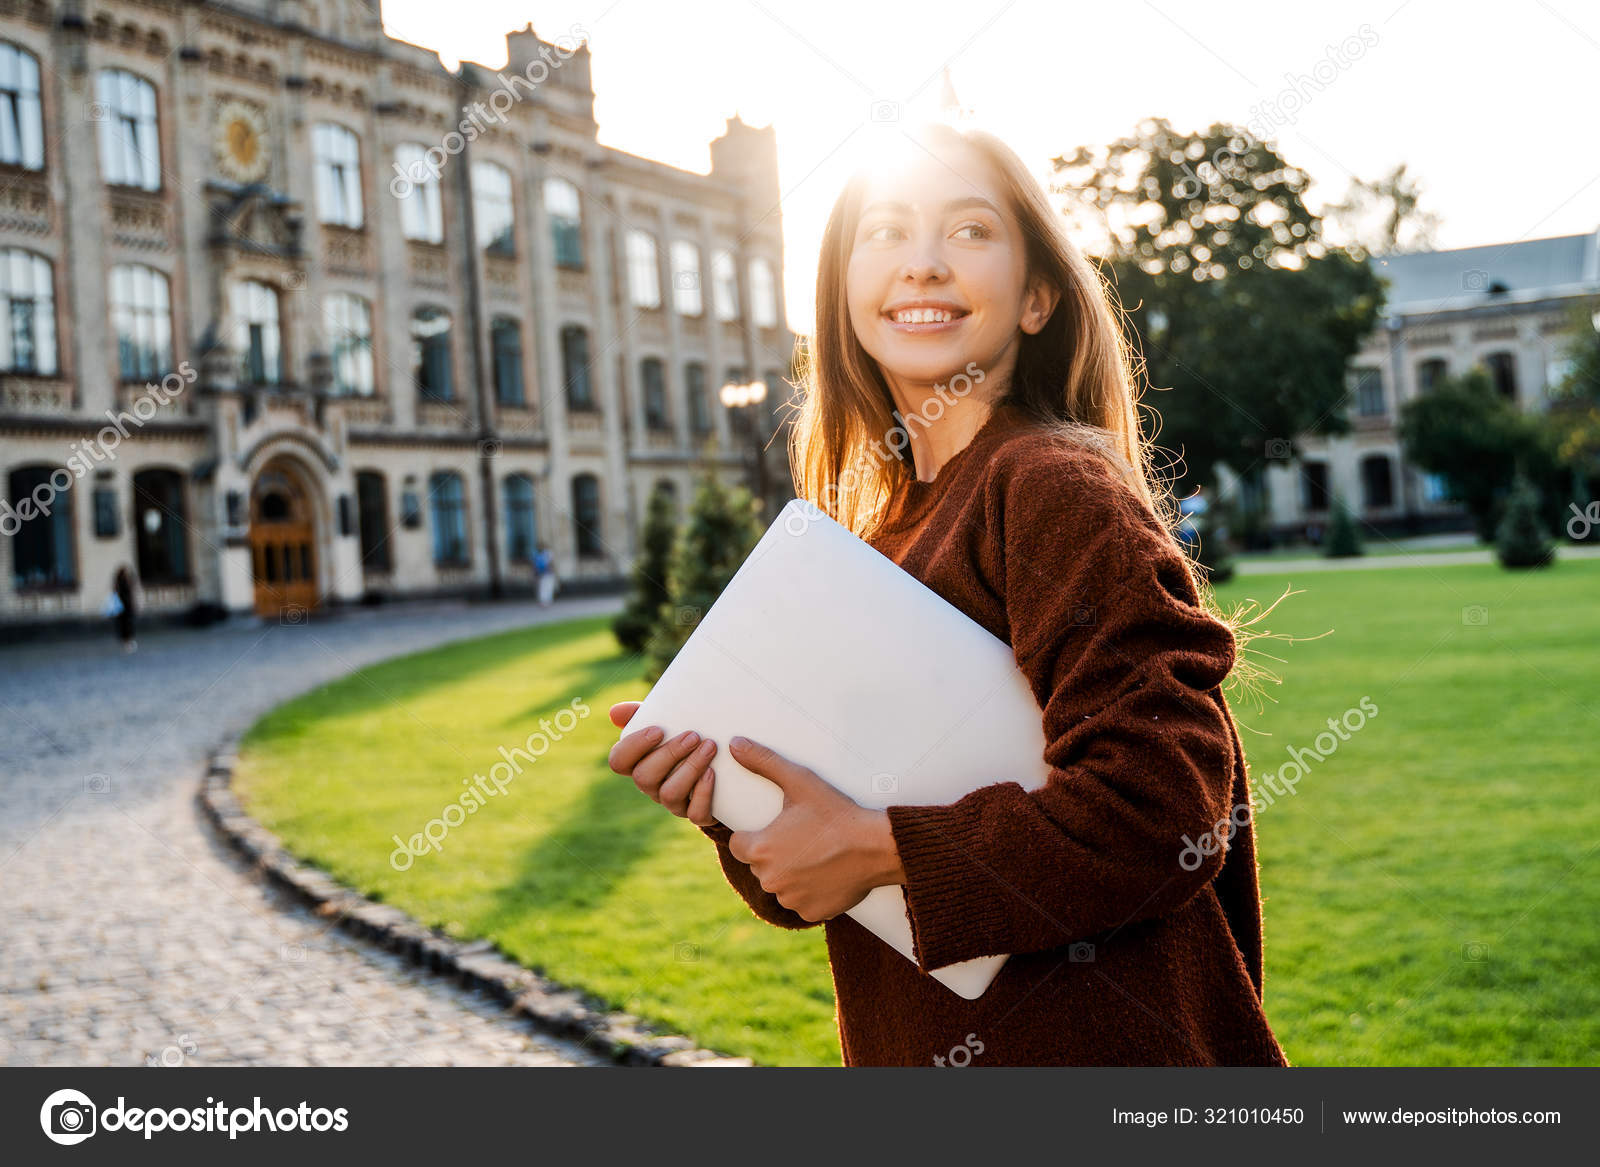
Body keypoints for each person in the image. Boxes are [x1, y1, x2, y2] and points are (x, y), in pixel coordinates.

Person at [608, 122, 1288, 1067]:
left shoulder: (1049, 484)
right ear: (843, 291)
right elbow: (841, 867)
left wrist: (878, 847)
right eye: (884, 233)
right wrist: (737, 808)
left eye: (969, 231)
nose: (921, 264)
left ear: (1039, 296)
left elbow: (1167, 805)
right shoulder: (872, 538)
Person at [107, 565, 137, 652]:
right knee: (125, 625)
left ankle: (127, 641)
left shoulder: (124, 583)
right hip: (123, 607)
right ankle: (127, 641)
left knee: (127, 624)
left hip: (125, 607)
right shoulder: (121, 583)